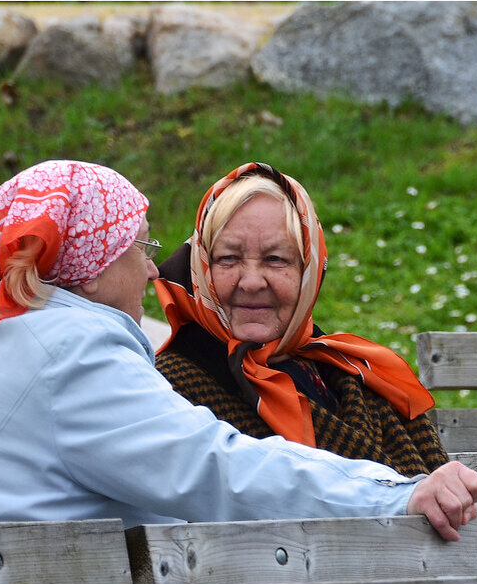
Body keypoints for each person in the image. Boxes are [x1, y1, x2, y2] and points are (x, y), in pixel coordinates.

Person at [0, 159, 477, 542]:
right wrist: (393, 495)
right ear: (87, 269)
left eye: (278, 260)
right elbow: (219, 467)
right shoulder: (70, 355)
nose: (153, 267)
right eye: (138, 246)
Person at [154, 162, 448, 477]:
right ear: (202, 269)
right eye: (228, 258)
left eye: (275, 259)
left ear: (308, 273)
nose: (252, 282)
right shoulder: (168, 390)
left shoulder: (355, 375)